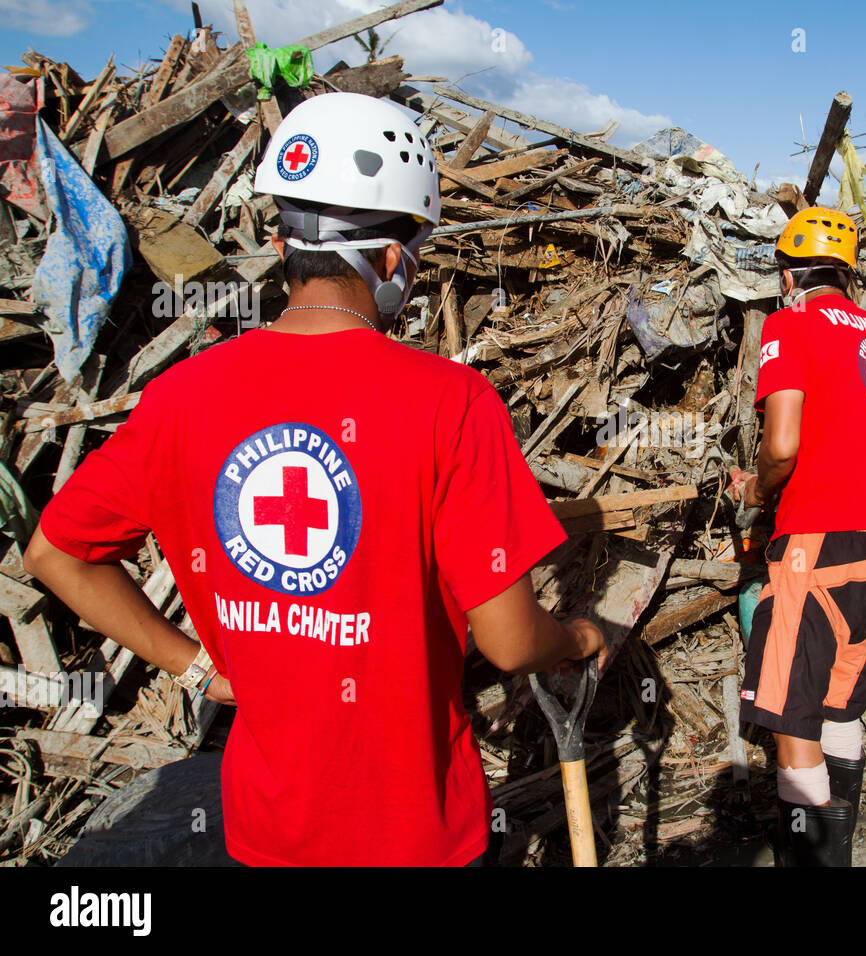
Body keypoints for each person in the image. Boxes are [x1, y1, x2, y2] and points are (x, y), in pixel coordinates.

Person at [23, 91, 605, 866]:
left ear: (279, 242)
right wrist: (573, 635)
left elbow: (55, 554)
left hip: (266, 829)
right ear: (396, 259)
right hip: (419, 834)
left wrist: (196, 666)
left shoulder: (181, 397)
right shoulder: (451, 402)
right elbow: (507, 641)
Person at [730, 206, 866, 866]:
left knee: (790, 719)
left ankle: (813, 861)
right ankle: (838, 853)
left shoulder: (791, 323)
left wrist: (755, 489)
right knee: (841, 708)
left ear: (790, 277)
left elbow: (782, 444)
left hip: (820, 540)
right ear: (845, 274)